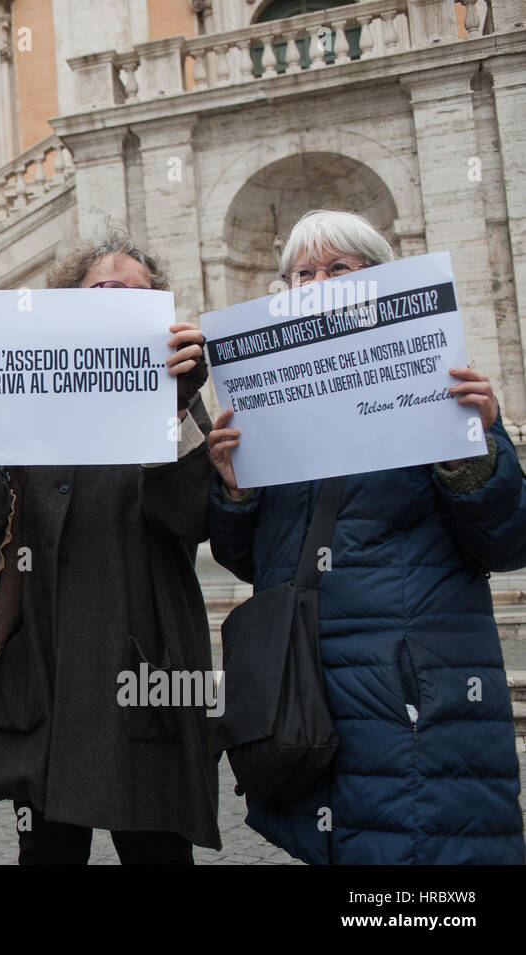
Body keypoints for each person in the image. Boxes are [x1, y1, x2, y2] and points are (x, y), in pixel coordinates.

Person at [207, 209, 526, 864]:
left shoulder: (436, 380)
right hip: (312, 692)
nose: (318, 283)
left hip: (410, 693)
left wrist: (475, 448)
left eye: (339, 269)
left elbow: (506, 542)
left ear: (380, 281)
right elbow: (246, 559)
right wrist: (234, 489)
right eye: (303, 273)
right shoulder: (270, 402)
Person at [0, 227, 221, 864]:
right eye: (99, 287)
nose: (113, 300)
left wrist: (178, 405)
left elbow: (190, 516)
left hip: (143, 656)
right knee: (46, 852)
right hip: (42, 658)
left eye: (132, 292)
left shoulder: (178, 395)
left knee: (157, 848)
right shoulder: (24, 391)